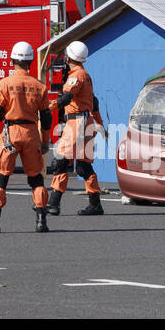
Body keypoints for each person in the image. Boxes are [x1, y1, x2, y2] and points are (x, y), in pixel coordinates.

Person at [0, 41, 62, 234]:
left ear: (13, 60)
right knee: (36, 179)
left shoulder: (5, 84)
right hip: (32, 134)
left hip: (11, 135)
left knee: (0, 178)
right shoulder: (39, 86)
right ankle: (41, 221)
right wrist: (45, 140)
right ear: (30, 62)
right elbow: (46, 117)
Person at [47, 40, 105, 217]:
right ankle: (95, 204)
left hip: (76, 123)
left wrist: (46, 108)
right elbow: (94, 102)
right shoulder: (86, 76)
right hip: (87, 123)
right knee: (83, 166)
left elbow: (65, 98)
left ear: (67, 57)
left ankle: (53, 204)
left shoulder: (75, 76)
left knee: (61, 161)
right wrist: (100, 123)